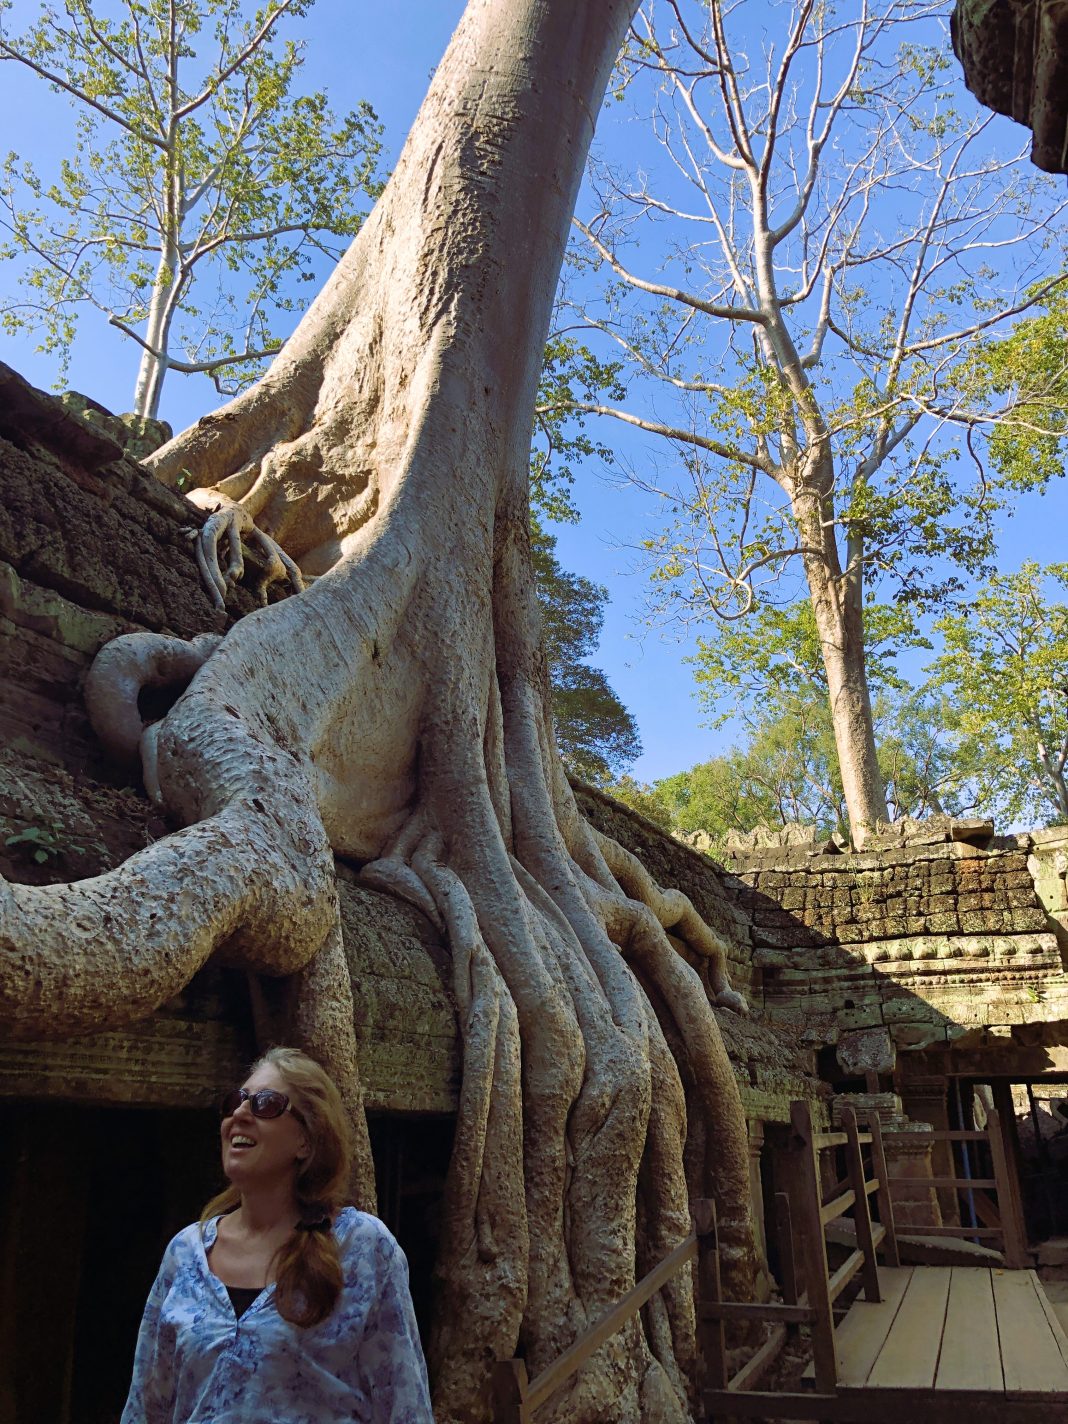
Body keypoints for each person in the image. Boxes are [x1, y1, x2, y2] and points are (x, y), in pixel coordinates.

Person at [121, 1046, 435, 1422]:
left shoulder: (360, 1247)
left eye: (265, 1104)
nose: (239, 1113)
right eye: (235, 1101)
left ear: (306, 1140)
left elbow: (405, 1405)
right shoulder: (186, 1253)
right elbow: (147, 1405)